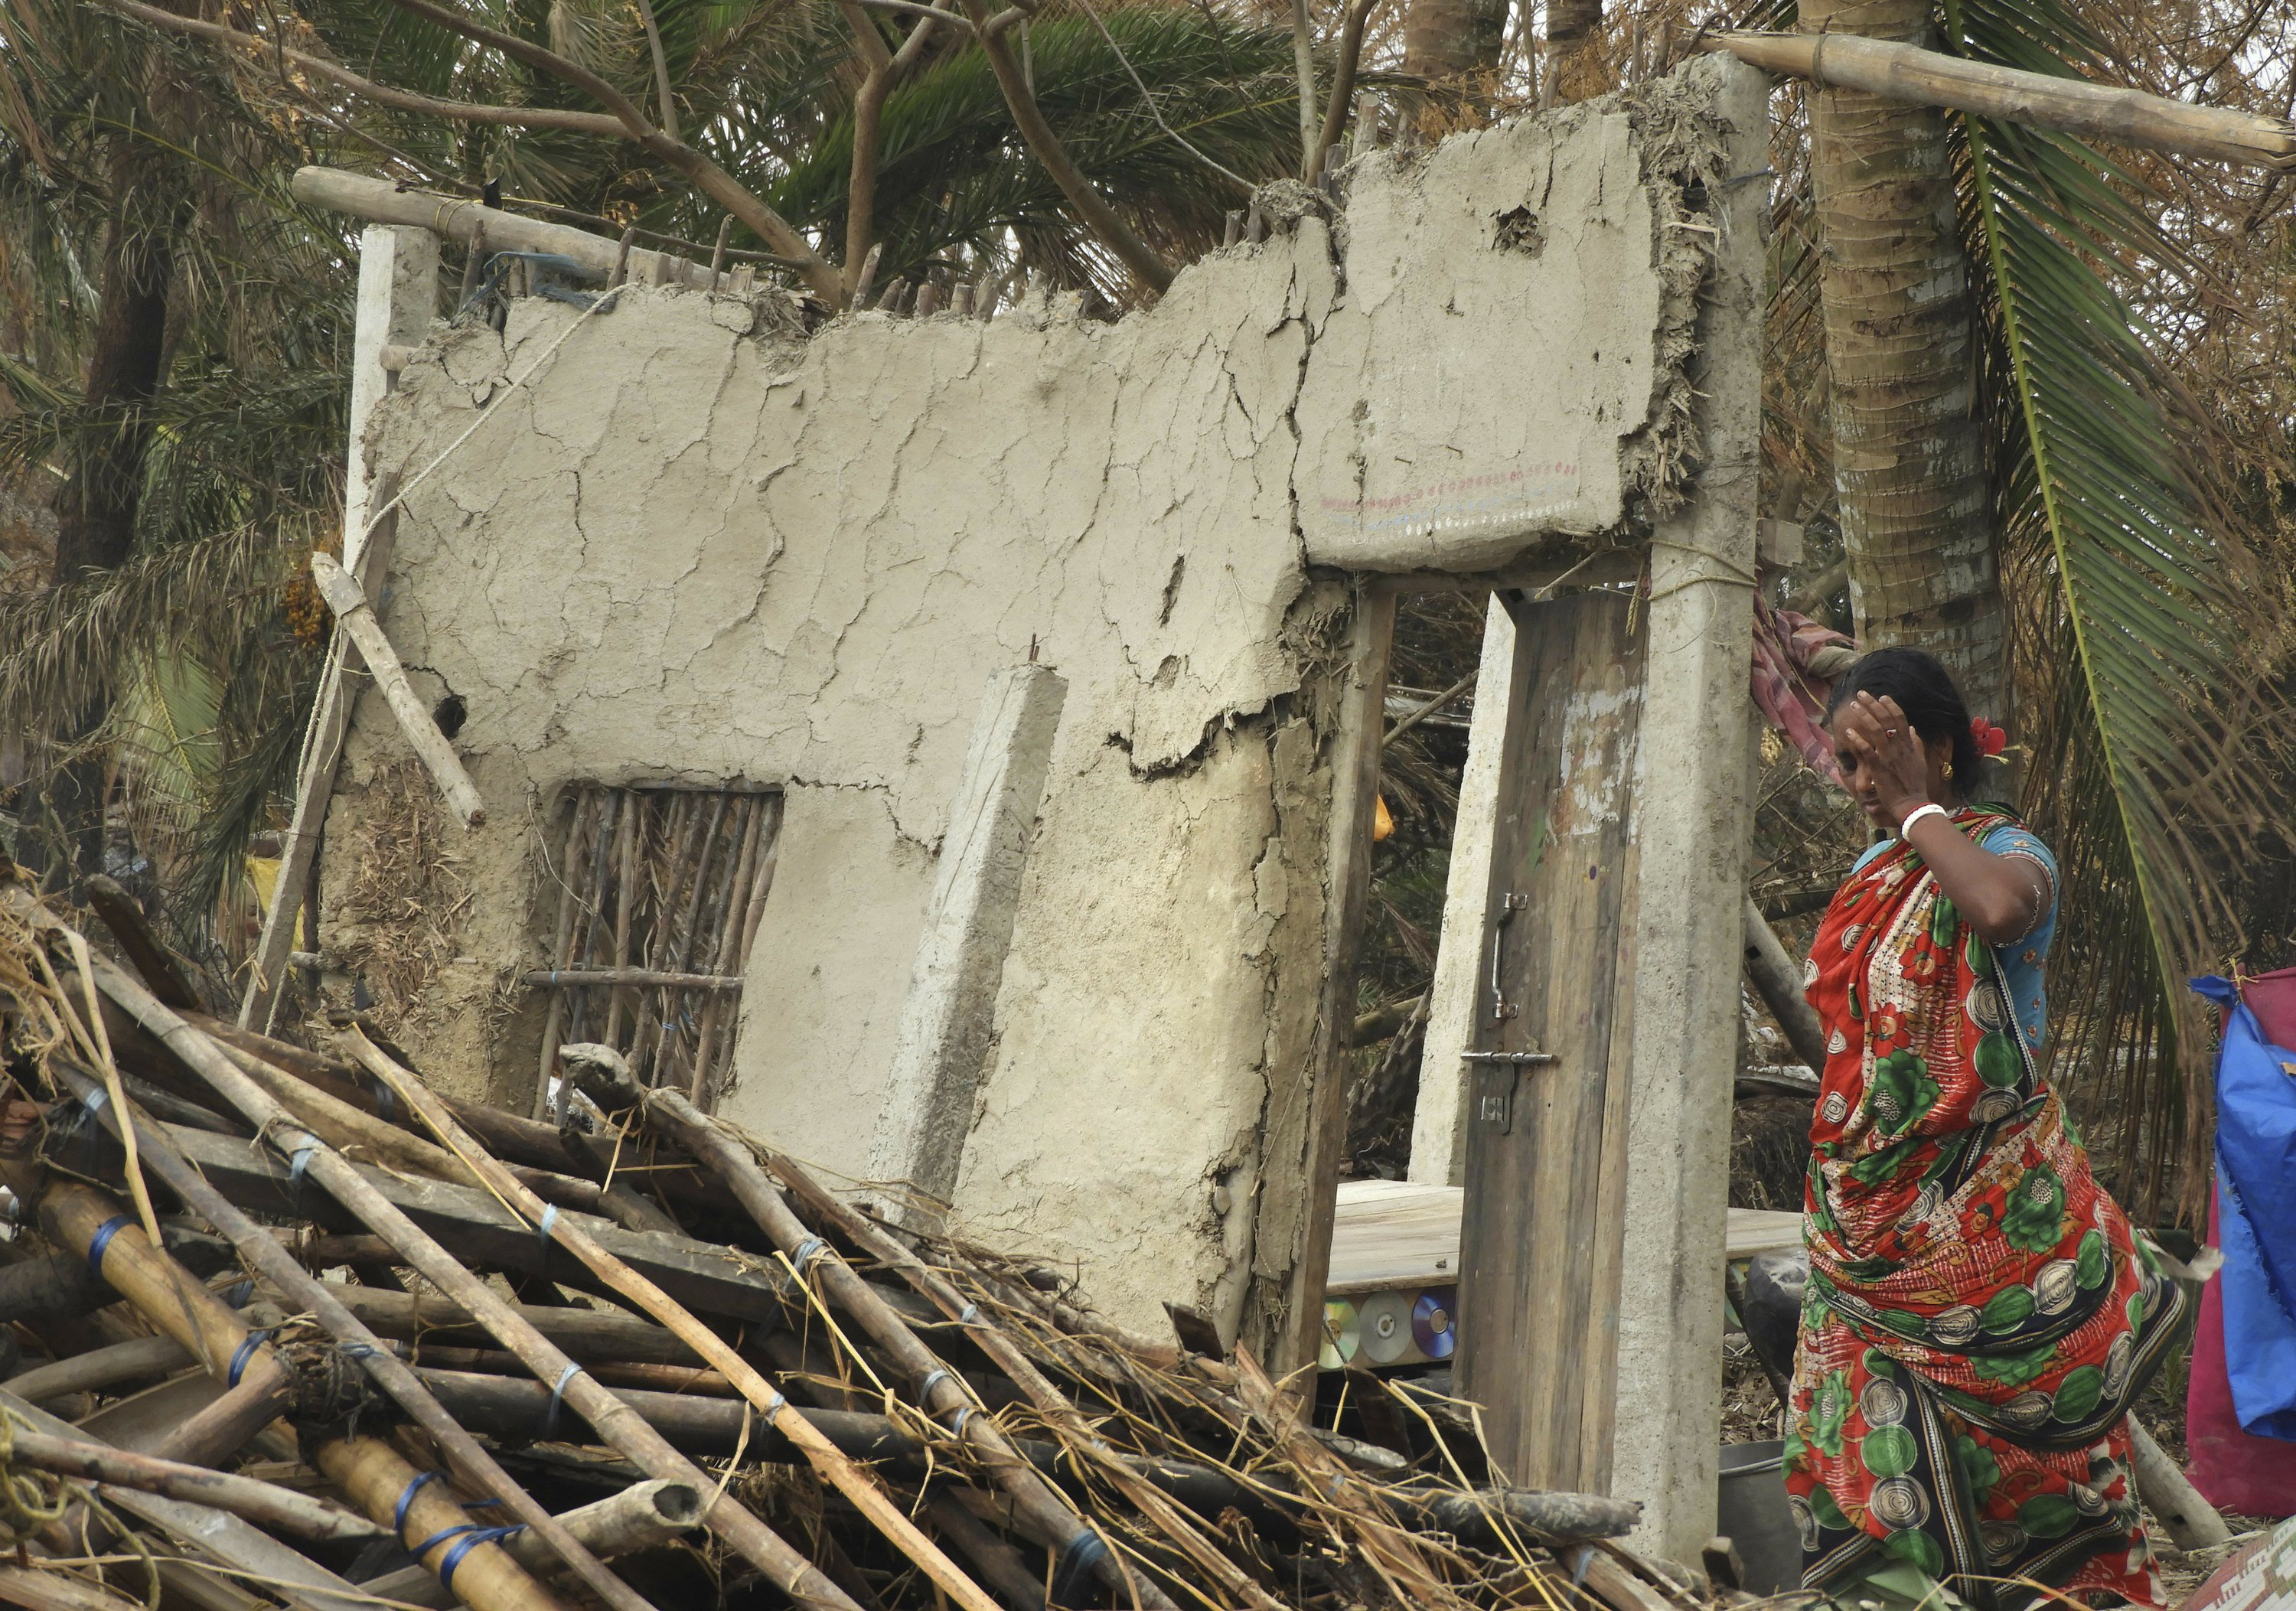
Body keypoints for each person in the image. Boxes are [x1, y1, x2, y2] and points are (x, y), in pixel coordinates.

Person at [1782, 647, 2186, 1611]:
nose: (1860, 783)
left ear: (1937, 750)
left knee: (2041, 1483)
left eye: (1875, 758)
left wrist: (1921, 808)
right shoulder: (1871, 872)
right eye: (1846, 763)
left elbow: (1999, 909)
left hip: (1992, 1236)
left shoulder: (2008, 852)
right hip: (1868, 1235)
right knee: (1869, 1476)